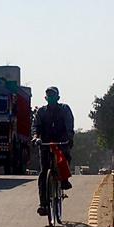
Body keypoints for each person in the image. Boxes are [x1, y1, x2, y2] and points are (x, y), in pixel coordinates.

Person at [33, 86, 75, 216]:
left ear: (57, 97)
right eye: (48, 96)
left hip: (61, 142)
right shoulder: (41, 112)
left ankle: (64, 180)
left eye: (53, 96)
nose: (50, 98)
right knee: (43, 172)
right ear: (45, 98)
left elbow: (69, 125)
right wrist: (36, 138)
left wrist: (69, 137)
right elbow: (36, 127)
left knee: (64, 158)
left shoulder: (64, 109)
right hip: (45, 143)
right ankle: (43, 204)